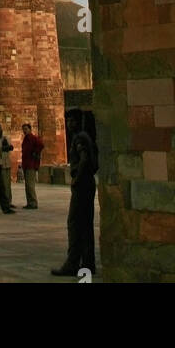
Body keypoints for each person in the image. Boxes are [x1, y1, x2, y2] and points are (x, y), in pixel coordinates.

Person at [51, 109, 98, 276]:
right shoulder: (85, 136)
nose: (70, 124)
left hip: (82, 184)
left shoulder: (80, 138)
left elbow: (84, 158)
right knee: (85, 225)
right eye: (68, 120)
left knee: (75, 223)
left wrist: (77, 177)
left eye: (72, 121)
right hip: (88, 183)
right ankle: (87, 263)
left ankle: (72, 263)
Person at [0, 123, 16, 212]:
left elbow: (10, 147)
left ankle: (7, 202)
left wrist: (7, 147)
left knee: (6, 185)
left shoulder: (4, 139)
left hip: (5, 163)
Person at [20, 122, 44, 209]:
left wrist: (35, 153)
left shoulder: (33, 138)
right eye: (23, 129)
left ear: (30, 129)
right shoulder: (26, 139)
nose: (24, 131)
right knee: (27, 185)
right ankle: (30, 202)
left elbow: (41, 145)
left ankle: (33, 202)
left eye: (26, 129)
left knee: (30, 185)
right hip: (26, 164)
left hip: (31, 164)